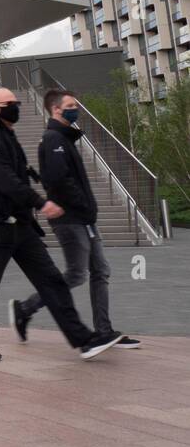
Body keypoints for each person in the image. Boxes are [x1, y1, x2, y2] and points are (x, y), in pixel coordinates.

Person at [0, 87, 124, 362]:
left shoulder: (6, 136)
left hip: (19, 224)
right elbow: (2, 176)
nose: (16, 107)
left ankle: (84, 340)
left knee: (52, 281)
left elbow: (16, 175)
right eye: (10, 103)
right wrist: (40, 202)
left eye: (17, 102)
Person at [9, 90, 141, 348]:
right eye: (71, 105)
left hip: (84, 218)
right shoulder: (53, 138)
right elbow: (57, 181)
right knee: (76, 274)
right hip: (70, 220)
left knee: (100, 271)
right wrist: (82, 204)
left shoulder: (65, 138)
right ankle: (25, 309)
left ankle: (104, 331)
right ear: (56, 109)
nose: (76, 109)